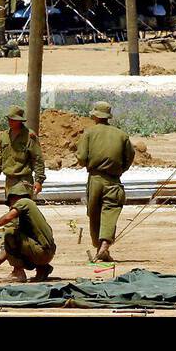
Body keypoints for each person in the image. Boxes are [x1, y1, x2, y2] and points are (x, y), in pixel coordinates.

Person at [76, 101, 134, 262]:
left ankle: (99, 247)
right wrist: (120, 170)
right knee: (110, 211)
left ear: (95, 116)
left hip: (95, 180)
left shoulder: (89, 134)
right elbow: (129, 157)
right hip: (114, 180)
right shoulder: (121, 135)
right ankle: (104, 247)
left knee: (94, 214)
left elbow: (81, 158)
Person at [0, 183, 56, 282]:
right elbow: (20, 244)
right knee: (16, 235)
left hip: (40, 253)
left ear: (14, 197)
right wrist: (0, 260)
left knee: (9, 233)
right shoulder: (30, 213)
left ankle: (18, 272)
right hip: (46, 253)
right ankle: (43, 269)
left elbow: (8, 217)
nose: (11, 206)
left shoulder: (24, 202)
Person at [0, 105, 45, 198]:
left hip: (23, 181)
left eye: (13, 120)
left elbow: (37, 159)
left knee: (20, 208)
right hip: (9, 181)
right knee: (13, 208)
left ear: (20, 121)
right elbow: (0, 158)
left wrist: (38, 180)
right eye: (9, 119)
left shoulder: (29, 136)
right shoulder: (4, 136)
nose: (10, 122)